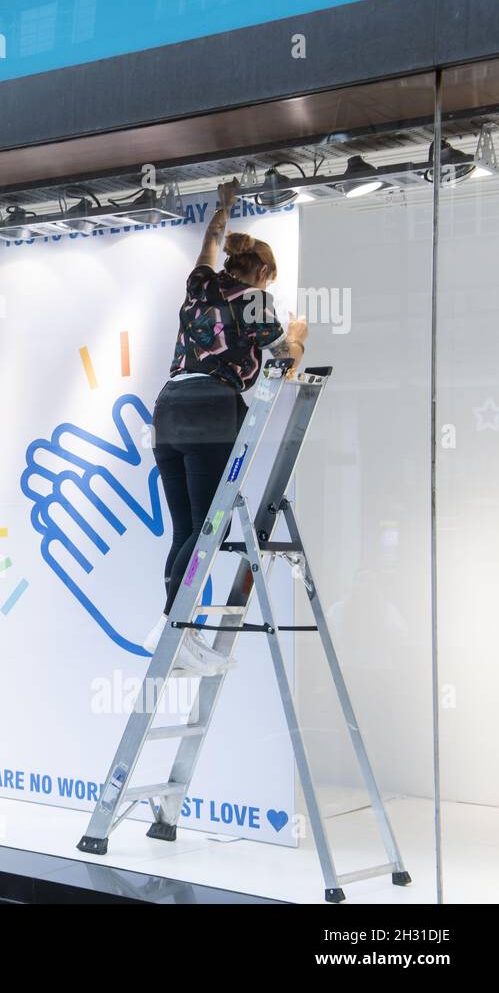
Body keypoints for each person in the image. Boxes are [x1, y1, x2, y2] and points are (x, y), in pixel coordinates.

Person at [143, 179, 307, 673]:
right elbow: (283, 362)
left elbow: (208, 244)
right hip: (210, 409)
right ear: (263, 271)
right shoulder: (256, 301)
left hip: (168, 407)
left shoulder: (202, 283)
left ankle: (174, 630)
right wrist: (299, 336)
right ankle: (171, 624)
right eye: (270, 279)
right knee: (208, 526)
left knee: (187, 529)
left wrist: (224, 208)